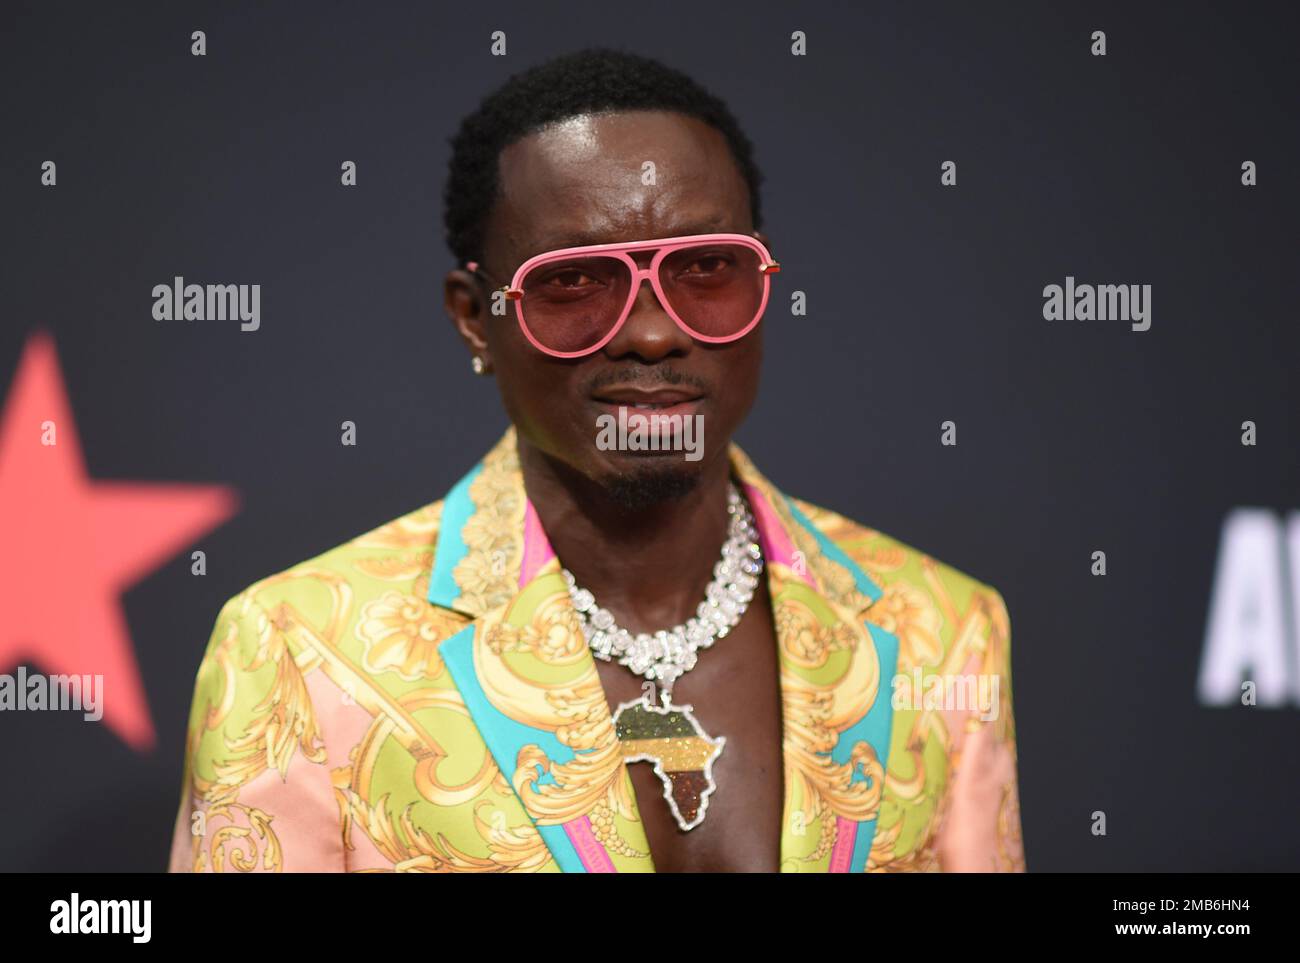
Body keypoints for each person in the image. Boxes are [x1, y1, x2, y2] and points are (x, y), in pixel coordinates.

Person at [167, 47, 1024, 873]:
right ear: (475, 317)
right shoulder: (304, 650)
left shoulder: (939, 632)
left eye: (707, 269)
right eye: (575, 282)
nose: (654, 332)